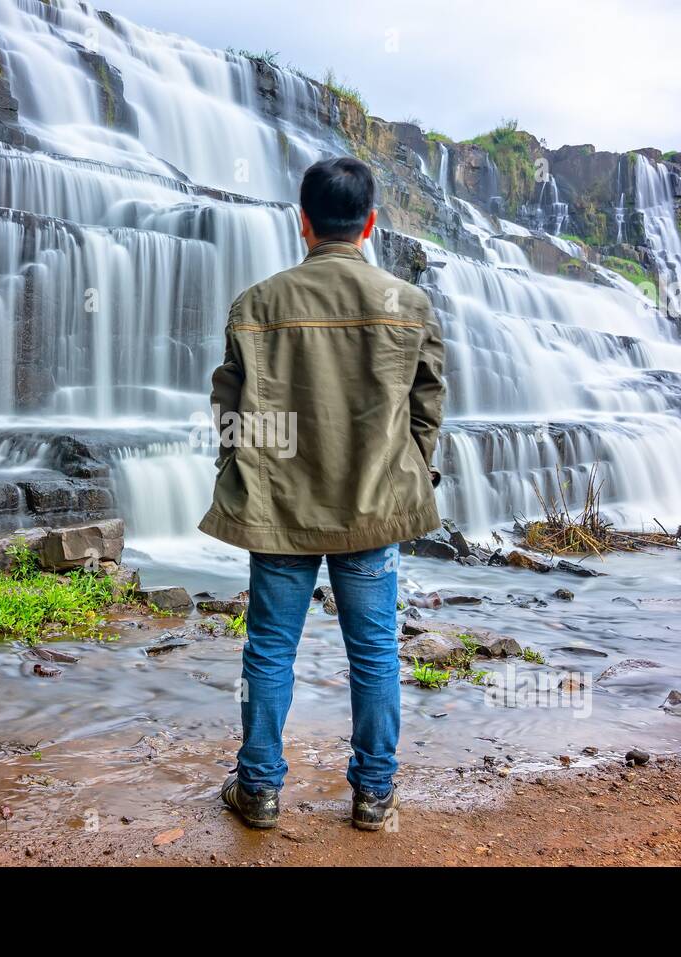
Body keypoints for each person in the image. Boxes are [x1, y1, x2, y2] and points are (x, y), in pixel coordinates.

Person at [199, 156, 446, 830]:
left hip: (280, 505)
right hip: (374, 506)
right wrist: (408, 470)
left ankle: (258, 790)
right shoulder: (409, 305)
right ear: (369, 224)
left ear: (301, 222)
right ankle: (373, 794)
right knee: (373, 650)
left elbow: (231, 412)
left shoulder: (257, 305)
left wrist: (248, 474)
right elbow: (427, 409)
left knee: (270, 648)